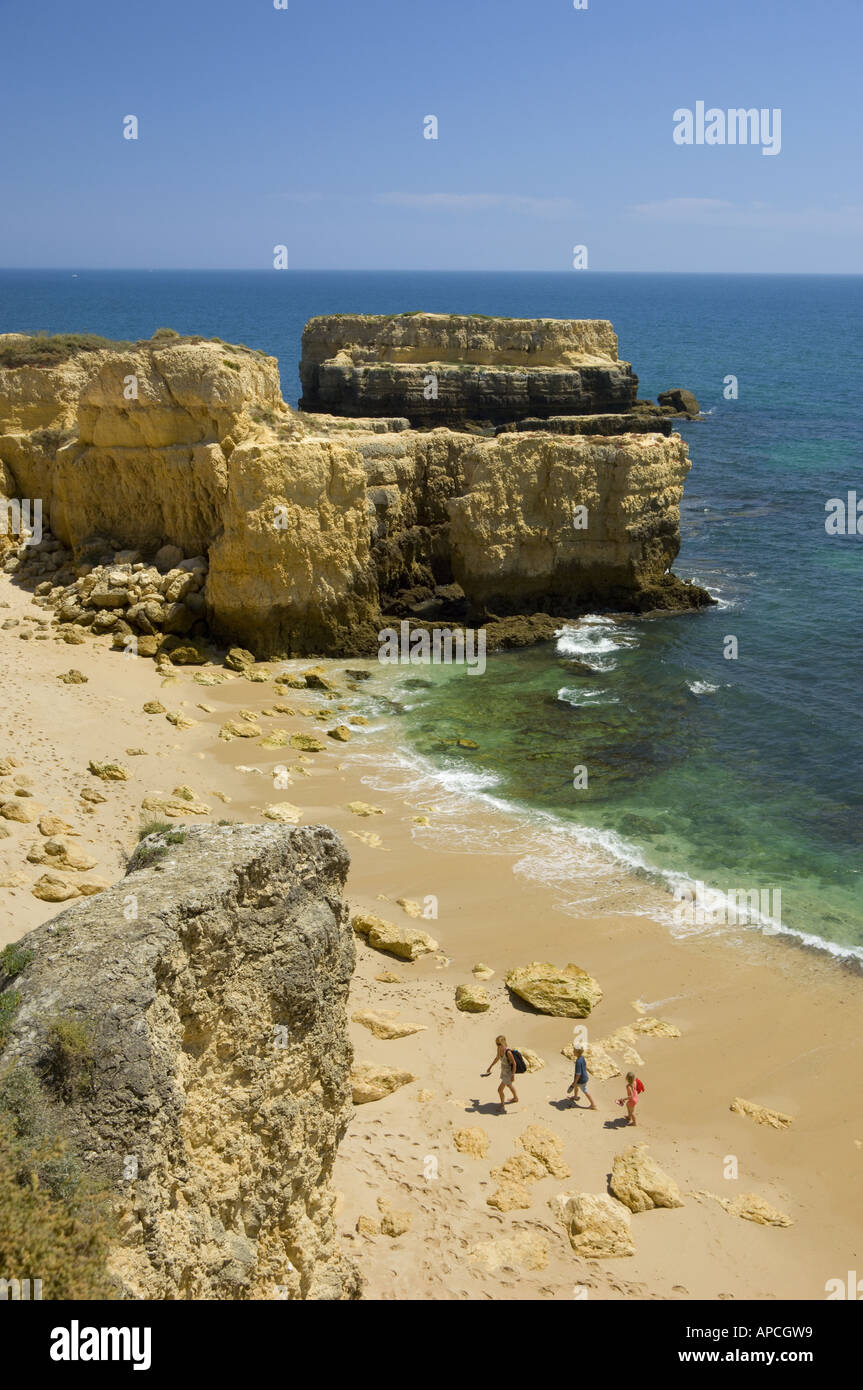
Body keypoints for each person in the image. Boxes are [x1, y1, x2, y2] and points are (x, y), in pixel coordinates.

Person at [482, 1035, 519, 1114]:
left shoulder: (508, 1052)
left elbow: (514, 1064)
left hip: (509, 1073)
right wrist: (490, 1067)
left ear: (503, 1042)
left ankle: (502, 1106)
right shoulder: (499, 1049)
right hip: (503, 1071)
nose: (498, 1045)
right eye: (497, 1044)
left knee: (499, 1090)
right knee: (509, 1085)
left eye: (499, 1044)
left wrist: (512, 1075)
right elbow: (497, 1058)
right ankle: (515, 1098)